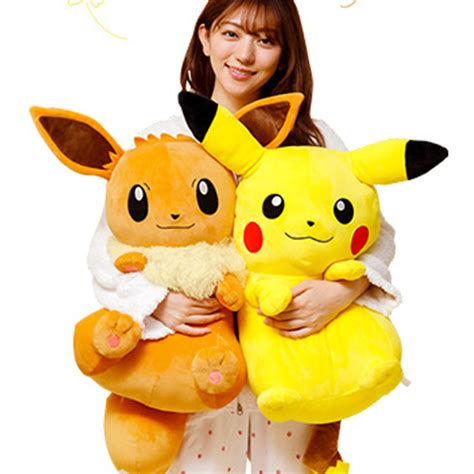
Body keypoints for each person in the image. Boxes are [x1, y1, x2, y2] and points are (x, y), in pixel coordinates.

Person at [88, 0, 401, 472]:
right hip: (198, 368)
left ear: (285, 52)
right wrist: (157, 302)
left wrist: (343, 291)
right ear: (205, 37)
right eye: (231, 34)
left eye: (266, 40)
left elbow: (376, 233)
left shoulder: (312, 142)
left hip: (294, 364)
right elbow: (108, 248)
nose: (245, 55)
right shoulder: (164, 142)